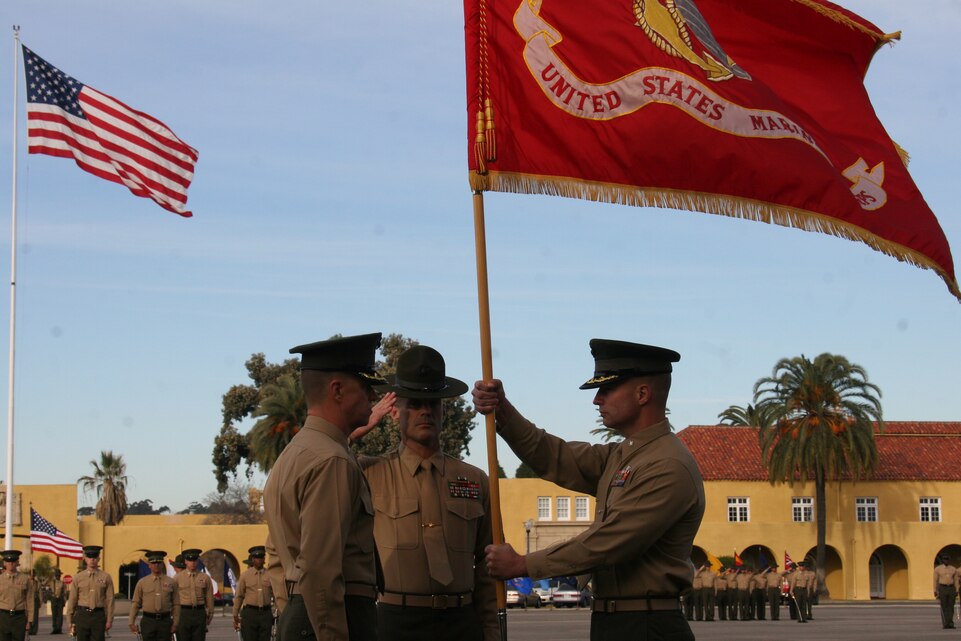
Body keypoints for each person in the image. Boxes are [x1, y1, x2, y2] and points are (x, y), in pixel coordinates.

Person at [475, 339, 705, 641]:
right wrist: (502, 411)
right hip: (617, 621)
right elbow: (555, 457)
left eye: (607, 389)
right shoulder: (624, 455)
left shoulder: (667, 465)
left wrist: (522, 564)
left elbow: (610, 542)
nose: (597, 399)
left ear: (642, 394)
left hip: (648, 625)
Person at [357, 345, 497, 641]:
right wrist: (361, 427)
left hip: (462, 621)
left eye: (433, 403)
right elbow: (318, 465)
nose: (425, 411)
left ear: (444, 410)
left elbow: (487, 567)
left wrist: (491, 631)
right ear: (394, 411)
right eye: (415, 403)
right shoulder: (369, 474)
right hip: (396, 622)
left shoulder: (475, 479)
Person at [263, 333, 386, 641]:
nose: (373, 397)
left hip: (304, 616)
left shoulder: (296, 453)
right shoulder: (332, 460)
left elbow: (277, 560)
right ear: (338, 390)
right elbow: (320, 570)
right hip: (336, 618)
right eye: (366, 386)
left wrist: (294, 613)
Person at [66, 545, 114, 641]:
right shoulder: (78, 578)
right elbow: (72, 600)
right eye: (89, 557)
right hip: (82, 616)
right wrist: (69, 620)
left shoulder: (106, 577)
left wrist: (109, 619)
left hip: (98, 616)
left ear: (99, 558)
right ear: (85, 558)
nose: (92, 559)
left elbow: (110, 600)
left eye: (95, 557)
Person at [129, 550, 179, 641]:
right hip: (148, 621)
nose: (156, 565)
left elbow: (176, 604)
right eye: (154, 563)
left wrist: (175, 623)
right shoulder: (142, 582)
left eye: (159, 563)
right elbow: (136, 603)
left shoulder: (171, 582)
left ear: (162, 564)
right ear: (149, 565)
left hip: (165, 621)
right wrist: (131, 621)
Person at [233, 546, 274, 641]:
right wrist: (235, 614)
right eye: (256, 558)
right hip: (250, 614)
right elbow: (239, 596)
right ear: (252, 559)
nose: (259, 560)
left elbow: (276, 594)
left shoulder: (270, 575)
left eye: (261, 558)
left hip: (265, 614)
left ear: (264, 559)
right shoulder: (245, 576)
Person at [175, 548, 214, 641]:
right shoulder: (177, 578)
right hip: (183, 613)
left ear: (197, 561)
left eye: (195, 560)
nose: (192, 563)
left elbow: (209, 596)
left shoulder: (205, 577)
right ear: (185, 561)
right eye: (189, 560)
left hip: (199, 613)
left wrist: (210, 612)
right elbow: (173, 597)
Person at [0, 550, 34, 641]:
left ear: (17, 563)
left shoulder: (25, 579)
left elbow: (30, 600)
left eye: (13, 561)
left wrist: (30, 620)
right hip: (3, 616)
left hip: (19, 617)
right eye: (8, 561)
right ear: (4, 563)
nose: (10, 564)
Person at [934, 554, 958, 629]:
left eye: (947, 559)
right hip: (942, 587)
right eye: (944, 559)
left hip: (951, 588)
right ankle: (945, 623)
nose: (946, 560)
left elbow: (956, 580)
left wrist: (957, 589)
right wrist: (935, 590)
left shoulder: (953, 569)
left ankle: (950, 623)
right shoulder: (938, 569)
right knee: (944, 606)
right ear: (942, 560)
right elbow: (935, 580)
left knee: (951, 606)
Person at [46, 568, 66, 634]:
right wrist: (50, 576)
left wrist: (64, 601)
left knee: (60, 615)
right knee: (54, 614)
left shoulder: (62, 583)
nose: (58, 576)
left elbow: (64, 593)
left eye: (59, 575)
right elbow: (44, 584)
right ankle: (54, 628)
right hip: (54, 599)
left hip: (60, 599)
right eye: (57, 575)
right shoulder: (52, 582)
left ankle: (59, 628)